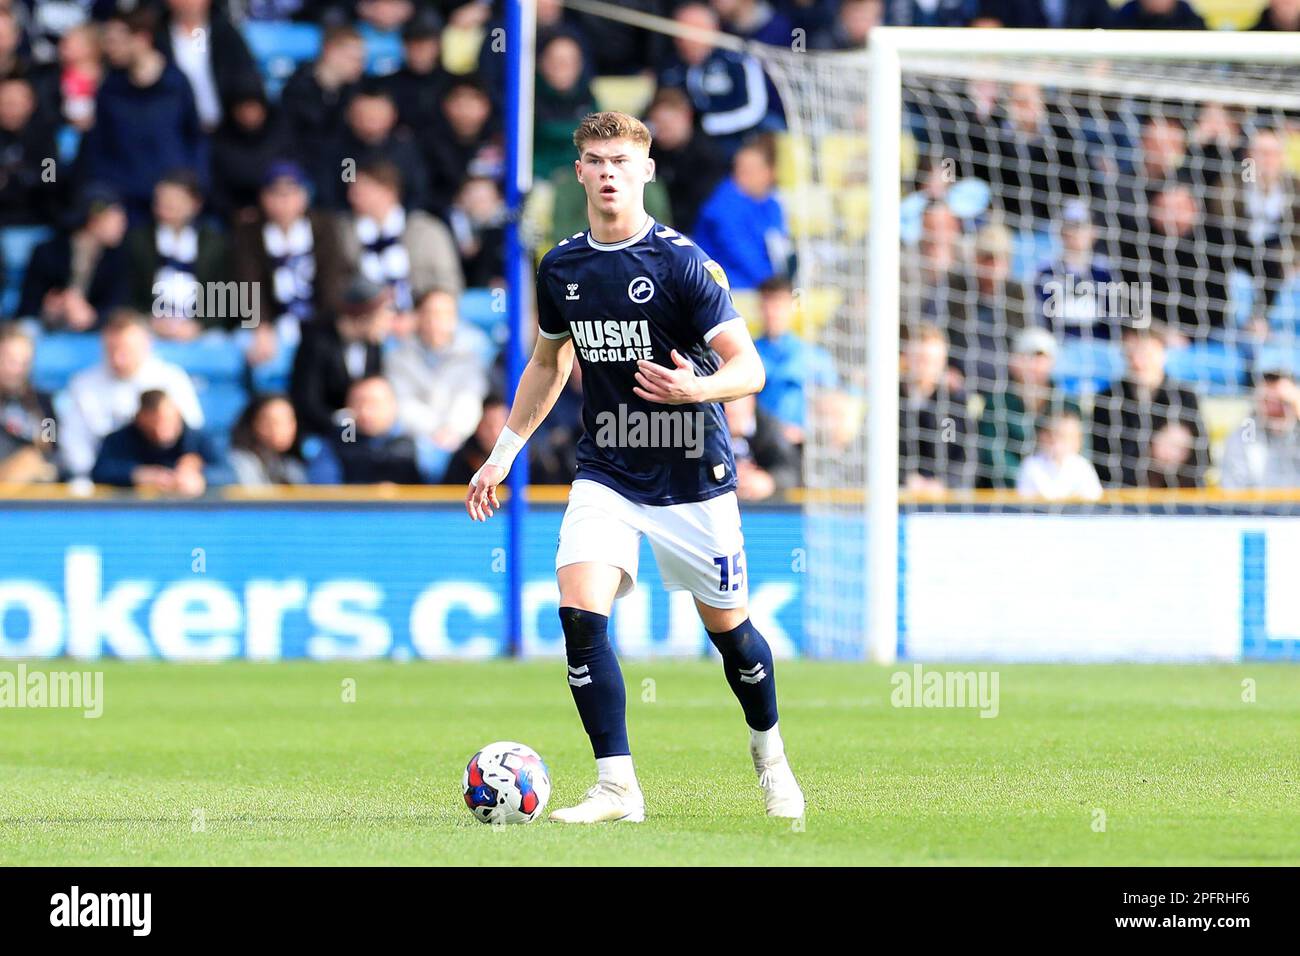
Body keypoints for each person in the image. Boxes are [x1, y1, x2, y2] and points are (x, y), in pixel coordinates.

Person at [464, 111, 804, 823]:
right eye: (595, 159)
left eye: (621, 159)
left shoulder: (683, 263)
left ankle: (770, 756)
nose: (609, 171)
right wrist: (502, 454)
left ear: (646, 170)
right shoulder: (560, 266)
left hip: (691, 474)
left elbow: (751, 370)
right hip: (608, 468)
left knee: (732, 638)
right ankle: (618, 785)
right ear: (580, 172)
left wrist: (696, 388)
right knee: (579, 615)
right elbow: (549, 362)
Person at [79, 7, 207, 222]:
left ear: (141, 39)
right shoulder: (109, 89)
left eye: (116, 41)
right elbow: (99, 146)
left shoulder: (176, 83)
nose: (110, 48)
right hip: (126, 203)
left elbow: (195, 136)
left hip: (176, 200)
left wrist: (195, 184)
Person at [58, 310, 205, 478]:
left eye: (126, 350)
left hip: (165, 485)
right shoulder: (83, 385)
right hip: (103, 482)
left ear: (146, 344)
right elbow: (74, 444)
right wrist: (101, 476)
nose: (118, 359)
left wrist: (173, 474)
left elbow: (191, 437)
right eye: (111, 350)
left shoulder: (172, 380)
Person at [338, 159, 464, 325]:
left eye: (364, 189)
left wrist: (418, 318)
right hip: (365, 323)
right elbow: (338, 286)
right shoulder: (343, 233)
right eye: (352, 190)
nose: (353, 196)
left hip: (423, 324)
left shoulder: (427, 230)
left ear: (389, 191)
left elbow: (449, 283)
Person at [1090, 321, 1208, 488]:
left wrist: (1179, 454)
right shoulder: (1107, 399)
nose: (1138, 362)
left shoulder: (1185, 398)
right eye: (1130, 353)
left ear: (1162, 353)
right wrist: (1151, 453)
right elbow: (1102, 462)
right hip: (1124, 499)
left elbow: (1202, 459)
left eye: (1145, 353)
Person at [385, 287, 490, 456]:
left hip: (458, 440)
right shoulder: (399, 356)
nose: (436, 320)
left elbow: (470, 399)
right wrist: (435, 430)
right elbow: (402, 403)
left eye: (444, 313)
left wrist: (453, 430)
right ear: (418, 316)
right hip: (413, 441)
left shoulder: (469, 355)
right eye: (430, 313)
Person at [125, 169, 228, 338]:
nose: (167, 206)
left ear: (195, 203)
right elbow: (127, 294)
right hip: (147, 327)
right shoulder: (138, 240)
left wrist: (199, 325)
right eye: (162, 200)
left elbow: (224, 299)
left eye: (175, 200)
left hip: (201, 331)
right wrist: (149, 320)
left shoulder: (214, 243)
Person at [289, 275, 392, 437]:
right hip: (327, 430)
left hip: (362, 424)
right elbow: (306, 402)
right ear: (363, 317)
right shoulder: (316, 344)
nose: (387, 323)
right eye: (382, 316)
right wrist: (343, 420)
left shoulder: (373, 344)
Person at [977, 327, 1079, 489]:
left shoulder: (1068, 403)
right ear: (1013, 361)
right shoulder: (996, 403)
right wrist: (1030, 483)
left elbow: (1080, 451)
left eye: (1040, 357)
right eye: (1027, 356)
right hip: (1009, 494)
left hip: (1062, 493)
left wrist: (1054, 485)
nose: (1033, 364)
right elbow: (993, 455)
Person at [17, 183, 128, 329]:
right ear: (94, 220)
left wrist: (91, 317)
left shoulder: (119, 257)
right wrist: (49, 309)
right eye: (116, 219)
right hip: (48, 329)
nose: (122, 225)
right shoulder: (48, 252)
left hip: (98, 331)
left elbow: (121, 306)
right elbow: (27, 306)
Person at [691, 136, 790, 291]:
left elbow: (779, 245)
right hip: (725, 287)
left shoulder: (772, 203)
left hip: (764, 286)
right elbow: (739, 252)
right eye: (739, 168)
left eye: (751, 170)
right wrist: (773, 283)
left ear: (769, 173)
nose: (742, 175)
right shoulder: (723, 204)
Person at [307, 375, 444, 484]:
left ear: (393, 405)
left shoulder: (418, 445)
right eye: (358, 403)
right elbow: (324, 493)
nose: (365, 411)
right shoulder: (334, 445)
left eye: (373, 403)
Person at [91, 388, 230, 494]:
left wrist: (200, 478)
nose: (160, 431)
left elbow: (229, 474)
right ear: (140, 419)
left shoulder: (198, 439)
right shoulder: (120, 439)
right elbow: (99, 472)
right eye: (153, 425)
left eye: (167, 422)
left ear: (177, 414)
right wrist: (138, 474)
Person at [751, 275, 838, 445]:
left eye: (778, 305)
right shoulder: (747, 354)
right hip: (758, 444)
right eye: (767, 304)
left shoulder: (814, 356)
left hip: (802, 444)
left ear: (791, 307)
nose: (772, 312)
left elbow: (831, 402)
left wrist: (810, 431)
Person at [899, 322, 973, 491]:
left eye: (932, 361)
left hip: (944, 498)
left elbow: (966, 457)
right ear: (906, 357)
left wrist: (943, 484)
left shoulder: (954, 405)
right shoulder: (889, 401)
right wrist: (905, 479)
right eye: (920, 359)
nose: (925, 367)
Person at [1219, 355, 1300, 489]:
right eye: (1268, 401)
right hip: (1258, 509)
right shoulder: (1242, 436)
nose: (1274, 408)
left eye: (1282, 402)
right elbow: (1232, 491)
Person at [0, 324, 57, 482]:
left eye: (23, 362)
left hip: (31, 489)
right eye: (9, 360)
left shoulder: (42, 403)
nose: (16, 369)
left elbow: (50, 445)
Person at [725, 392, 801, 501]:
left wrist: (769, 481)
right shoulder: (700, 428)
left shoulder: (769, 428)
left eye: (735, 399)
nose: (730, 407)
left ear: (751, 400)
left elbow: (791, 471)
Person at [1015, 411, 1103, 501]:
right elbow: (1024, 501)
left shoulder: (1083, 467)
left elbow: (1094, 499)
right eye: (1058, 435)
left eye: (1070, 437)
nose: (1061, 442)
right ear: (1044, 436)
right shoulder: (1031, 465)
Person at [228, 394, 307, 486]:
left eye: (289, 420)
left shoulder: (293, 467)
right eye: (274, 422)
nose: (284, 429)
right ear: (255, 424)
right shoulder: (240, 463)